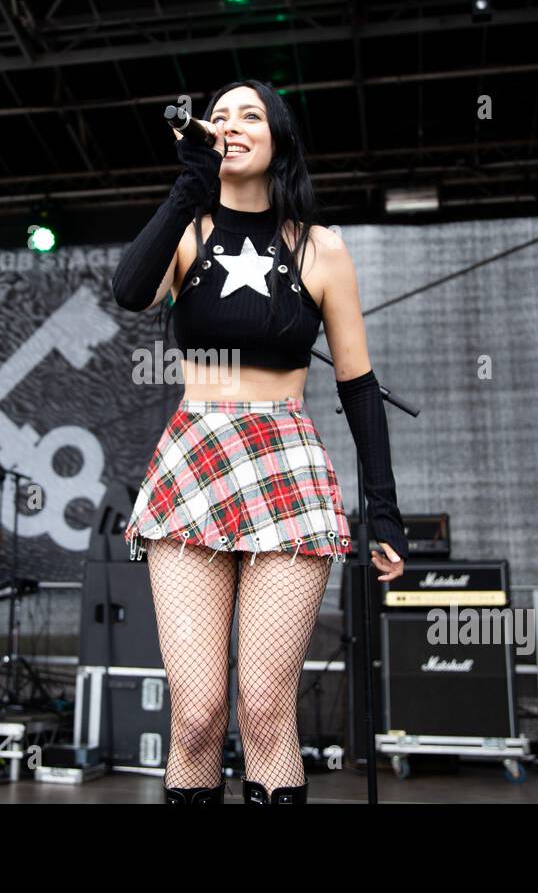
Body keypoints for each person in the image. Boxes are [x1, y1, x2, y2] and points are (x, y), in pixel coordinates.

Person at [111, 80, 408, 805]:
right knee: (197, 713)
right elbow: (128, 291)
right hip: (195, 456)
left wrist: (385, 511)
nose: (232, 126)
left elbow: (358, 388)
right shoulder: (189, 232)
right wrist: (190, 184)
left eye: (251, 116)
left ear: (279, 139)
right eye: (220, 117)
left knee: (268, 710)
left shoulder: (321, 249)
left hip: (285, 461)